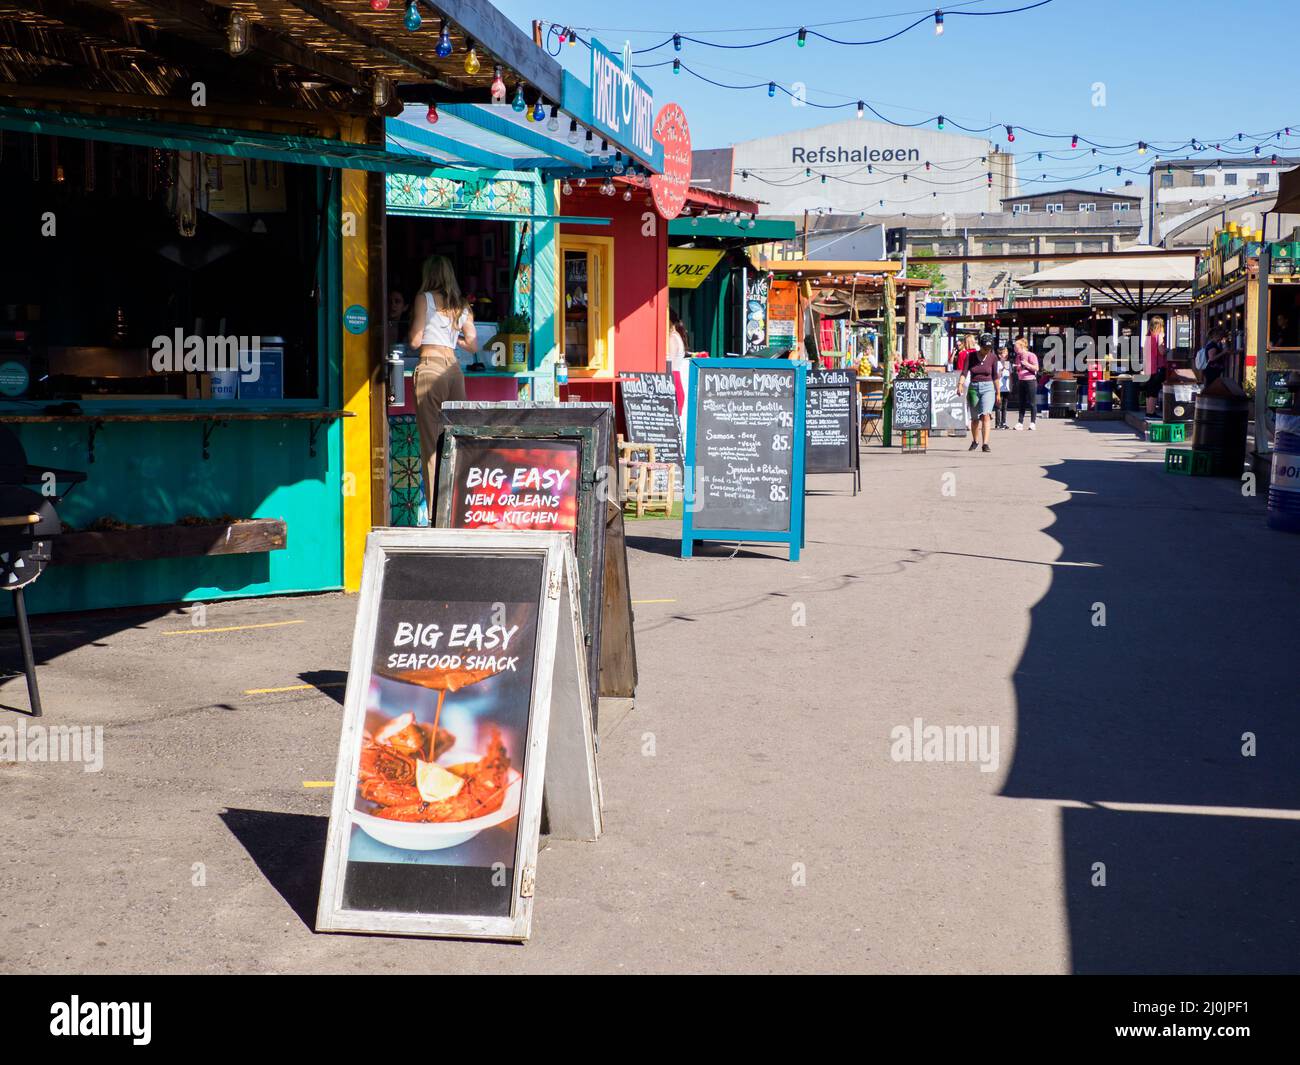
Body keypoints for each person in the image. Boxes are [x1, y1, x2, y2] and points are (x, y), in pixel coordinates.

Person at [409, 255, 477, 504]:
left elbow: (416, 341)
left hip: (431, 367)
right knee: (457, 437)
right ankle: (459, 505)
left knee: (432, 443)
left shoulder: (424, 298)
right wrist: (455, 338)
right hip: (454, 371)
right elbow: (472, 344)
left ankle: (436, 513)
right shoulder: (462, 305)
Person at [961, 333, 998, 452]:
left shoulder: (993, 357)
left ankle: (985, 443)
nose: (987, 351)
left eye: (989, 349)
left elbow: (995, 376)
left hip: (988, 387)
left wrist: (998, 393)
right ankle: (975, 441)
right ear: (980, 346)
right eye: (985, 348)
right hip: (973, 388)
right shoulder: (970, 356)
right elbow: (964, 372)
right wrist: (960, 385)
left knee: (985, 415)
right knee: (975, 418)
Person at [1142, 316, 1168, 414]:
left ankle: (1148, 412)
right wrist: (1166, 350)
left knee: (1149, 390)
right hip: (1157, 367)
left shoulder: (1148, 336)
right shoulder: (1159, 336)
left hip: (1149, 367)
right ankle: (1152, 412)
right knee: (1154, 390)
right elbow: (1161, 351)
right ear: (1159, 325)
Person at [1013, 337, 1039, 430]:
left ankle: (1033, 422)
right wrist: (1018, 367)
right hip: (1021, 380)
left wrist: (1027, 364)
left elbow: (1036, 368)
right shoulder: (1018, 357)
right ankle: (1020, 422)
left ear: (1022, 346)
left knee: (1032, 402)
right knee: (1021, 402)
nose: (1015, 349)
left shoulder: (1031, 355)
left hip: (1030, 380)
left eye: (1016, 347)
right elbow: (1019, 368)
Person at [995, 345, 1013, 429]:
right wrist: (1002, 369)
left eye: (1007, 353)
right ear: (1000, 355)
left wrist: (1011, 385)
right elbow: (996, 376)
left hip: (1006, 387)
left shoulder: (1008, 363)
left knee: (1005, 406)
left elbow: (1010, 376)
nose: (1006, 355)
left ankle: (1004, 422)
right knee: (998, 406)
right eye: (1004, 353)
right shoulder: (997, 363)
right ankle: (998, 423)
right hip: (999, 387)